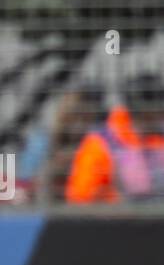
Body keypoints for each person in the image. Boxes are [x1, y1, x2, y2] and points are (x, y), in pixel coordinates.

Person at [66, 75, 164, 203]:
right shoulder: (102, 142)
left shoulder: (159, 138)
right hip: (121, 219)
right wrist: (114, 198)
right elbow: (80, 196)